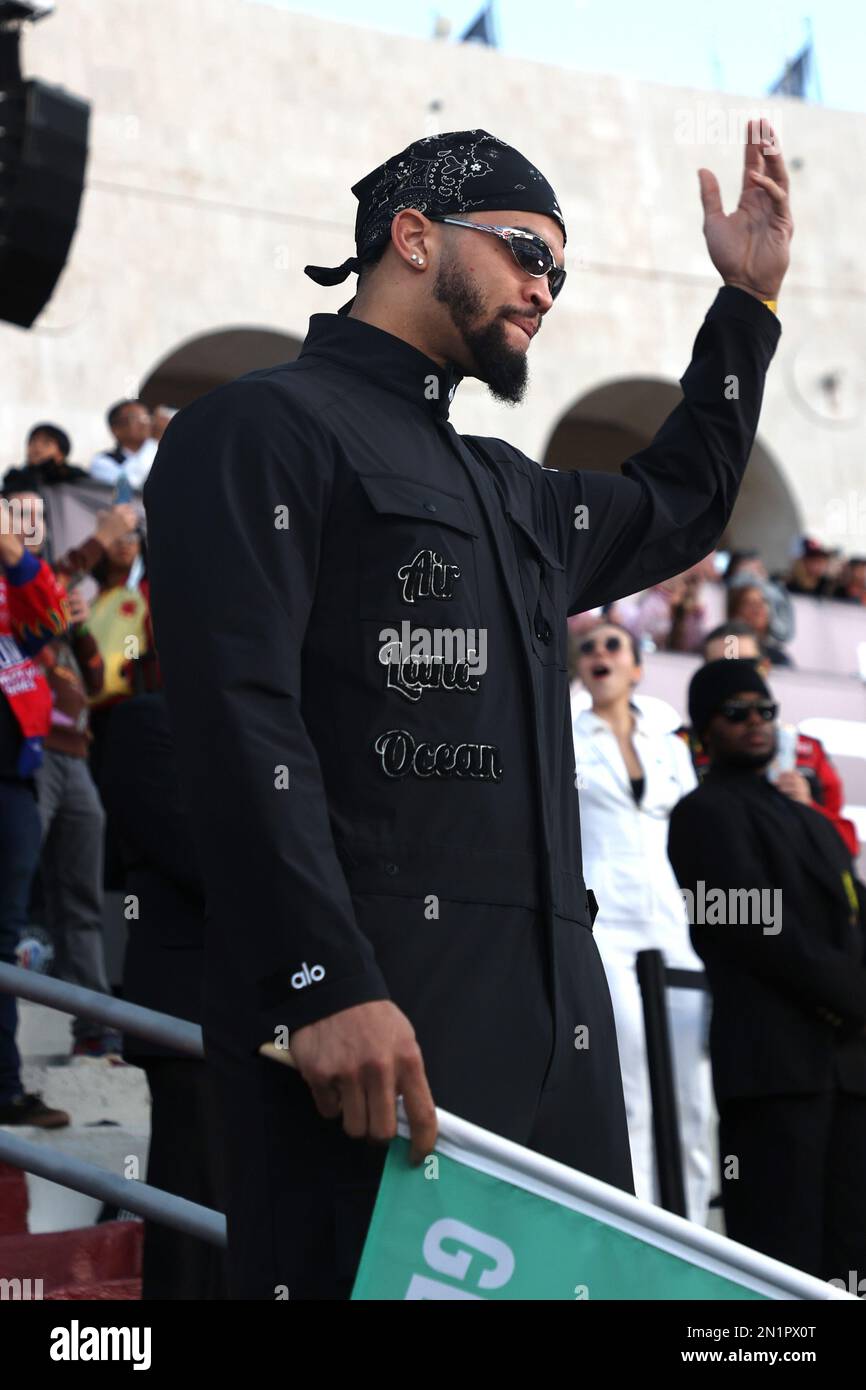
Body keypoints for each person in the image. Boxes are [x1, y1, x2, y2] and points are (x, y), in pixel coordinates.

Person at [145, 121, 791, 1298]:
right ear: (410, 236)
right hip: (372, 1028)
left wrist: (743, 304)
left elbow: (681, 497)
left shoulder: (509, 489)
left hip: (557, 1043)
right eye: (520, 251)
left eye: (559, 265)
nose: (543, 287)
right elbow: (240, 719)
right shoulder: (254, 430)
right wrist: (320, 980)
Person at [668, 660, 866, 1281]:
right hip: (772, 1067)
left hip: (849, 1070)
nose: (755, 722)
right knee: (781, 1262)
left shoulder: (814, 821)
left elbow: (854, 917)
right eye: (736, 712)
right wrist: (854, 995)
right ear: (703, 730)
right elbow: (750, 931)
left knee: (852, 1256)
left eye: (766, 710)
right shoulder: (701, 813)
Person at [572, 620, 713, 1220]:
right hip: (607, 925)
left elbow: (696, 829)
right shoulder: (564, 735)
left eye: (612, 645)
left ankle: (698, 1233)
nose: (599, 653)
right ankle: (644, 1230)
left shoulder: (670, 742)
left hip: (674, 924)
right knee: (631, 1080)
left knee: (692, 1090)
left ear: (636, 666)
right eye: (588, 647)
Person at [100, 692, 228, 1300]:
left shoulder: (274, 729)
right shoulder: (146, 720)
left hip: (266, 1014)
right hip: (189, 1012)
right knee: (192, 1222)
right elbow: (194, 853)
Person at [11, 494, 139, 1060]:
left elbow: (92, 678)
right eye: (16, 522)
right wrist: (105, 533)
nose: (26, 532)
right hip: (29, 756)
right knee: (11, 899)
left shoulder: (50, 596)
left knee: (82, 898)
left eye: (32, 523)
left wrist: (81, 628)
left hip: (76, 758)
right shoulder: (18, 594)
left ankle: (91, 1027)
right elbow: (44, 595)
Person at [0, 492, 71, 1127]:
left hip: (14, 780)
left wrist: (14, 554)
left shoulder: (11, 572)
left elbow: (51, 623)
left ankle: (4, 1089)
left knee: (5, 935)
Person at [685, 622, 859, 857]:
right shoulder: (676, 749)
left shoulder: (806, 751)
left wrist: (807, 806)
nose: (734, 678)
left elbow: (847, 846)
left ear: (765, 667)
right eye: (720, 667)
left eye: (746, 665)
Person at [89, 400, 156, 493]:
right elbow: (133, 485)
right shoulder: (103, 461)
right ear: (116, 429)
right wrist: (154, 440)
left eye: (146, 417)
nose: (144, 423)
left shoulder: (161, 453)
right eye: (135, 418)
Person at [2, 423, 88, 493]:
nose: (37, 447)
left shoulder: (76, 478)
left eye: (46, 443)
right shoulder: (16, 478)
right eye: (33, 441)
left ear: (61, 454)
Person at [727, 581, 791, 665]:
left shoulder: (778, 657)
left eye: (762, 601)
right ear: (735, 613)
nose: (758, 607)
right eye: (748, 603)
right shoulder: (728, 650)